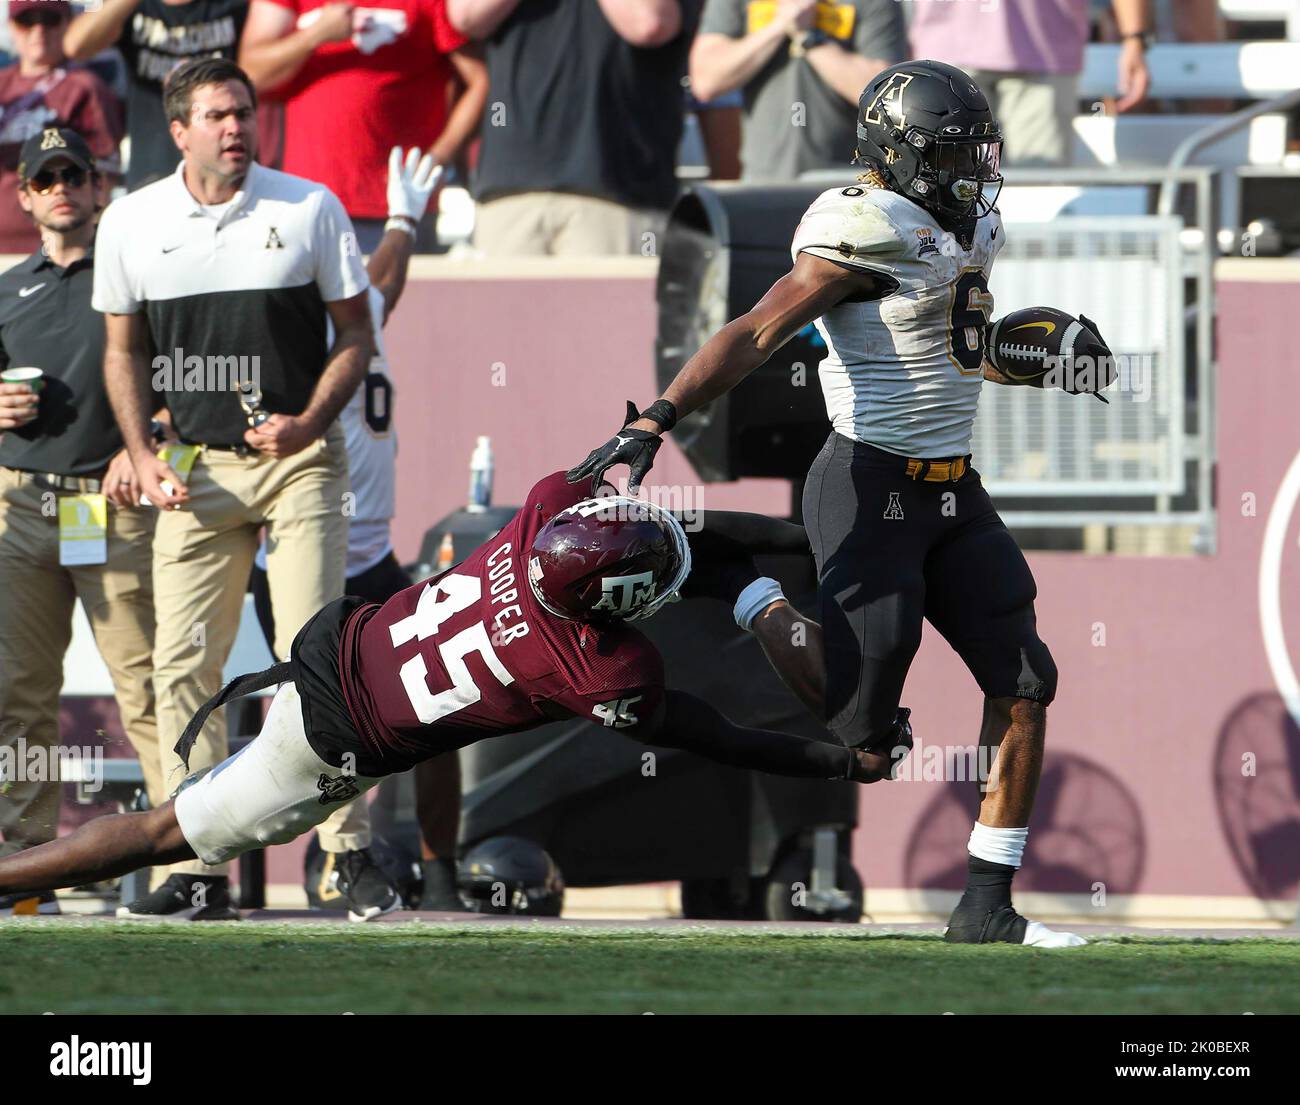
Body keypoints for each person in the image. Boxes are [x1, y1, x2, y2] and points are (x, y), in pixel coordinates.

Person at [568, 60, 1119, 947]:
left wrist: (1044, 355)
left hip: (954, 490)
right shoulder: (860, 228)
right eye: (953, 153)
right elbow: (757, 329)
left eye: (978, 149)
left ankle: (985, 906)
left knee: (1025, 683)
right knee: (863, 738)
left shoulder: (968, 222)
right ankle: (749, 589)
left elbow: (961, 347)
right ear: (897, 154)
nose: (975, 169)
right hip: (869, 481)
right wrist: (659, 417)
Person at [0, 471, 896, 920]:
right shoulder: (600, 670)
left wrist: (795, 545)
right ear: (606, 611)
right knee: (170, 831)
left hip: (339, 639)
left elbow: (678, 533)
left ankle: (430, 875)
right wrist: (834, 759)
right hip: (327, 736)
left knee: (437, 741)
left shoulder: (547, 514)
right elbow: (724, 737)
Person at [94, 56, 386, 921]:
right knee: (181, 663)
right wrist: (140, 454)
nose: (235, 128)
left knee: (315, 656)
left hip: (301, 461)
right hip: (195, 469)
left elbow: (356, 336)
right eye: (216, 115)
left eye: (244, 113)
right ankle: (193, 863)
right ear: (177, 129)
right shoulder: (132, 221)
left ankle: (349, 854)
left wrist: (306, 421)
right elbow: (122, 351)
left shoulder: (310, 206)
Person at [249, 145, 465, 911]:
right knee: (308, 712)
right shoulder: (285, 333)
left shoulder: (357, 309)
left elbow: (385, 280)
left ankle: (438, 871)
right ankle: (320, 859)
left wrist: (403, 217)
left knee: (443, 710)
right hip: (300, 550)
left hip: (372, 554)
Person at [0, 126, 156, 917]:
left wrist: (151, 444)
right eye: (46, 176)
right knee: (20, 693)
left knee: (149, 686)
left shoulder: (134, 278)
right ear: (25, 196)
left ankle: (187, 863)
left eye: (76, 174)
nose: (62, 186)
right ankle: (23, 874)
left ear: (100, 188)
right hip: (21, 502)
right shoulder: (3, 290)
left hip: (113, 504)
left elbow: (181, 391)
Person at [449, 0, 697, 257]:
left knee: (610, 299)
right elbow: (465, 16)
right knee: (502, 298)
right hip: (511, 190)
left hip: (617, 192)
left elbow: (649, 23)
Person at [238, 0, 486, 254]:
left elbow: (481, 82)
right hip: (306, 203)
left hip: (401, 208)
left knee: (403, 293)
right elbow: (250, 74)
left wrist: (440, 155)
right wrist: (316, 34)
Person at [907, 0, 1152, 167]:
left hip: (1044, 53)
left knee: (1041, 194)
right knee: (943, 190)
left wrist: (1134, 38)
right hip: (945, 50)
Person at [690, 0, 906, 182]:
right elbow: (706, 81)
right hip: (764, 183)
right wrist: (779, 27)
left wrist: (808, 38)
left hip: (846, 184)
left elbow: (886, 96)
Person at [64, 0, 252, 191]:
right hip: (151, 162)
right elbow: (76, 46)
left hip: (225, 165)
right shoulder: (137, 7)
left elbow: (258, 72)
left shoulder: (234, 5)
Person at [0, 0, 122, 253]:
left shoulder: (85, 87)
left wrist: (88, 247)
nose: (38, 31)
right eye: (27, 22)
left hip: (56, 246)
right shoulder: (2, 86)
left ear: (68, 24)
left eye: (49, 20)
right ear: (11, 27)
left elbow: (103, 176)